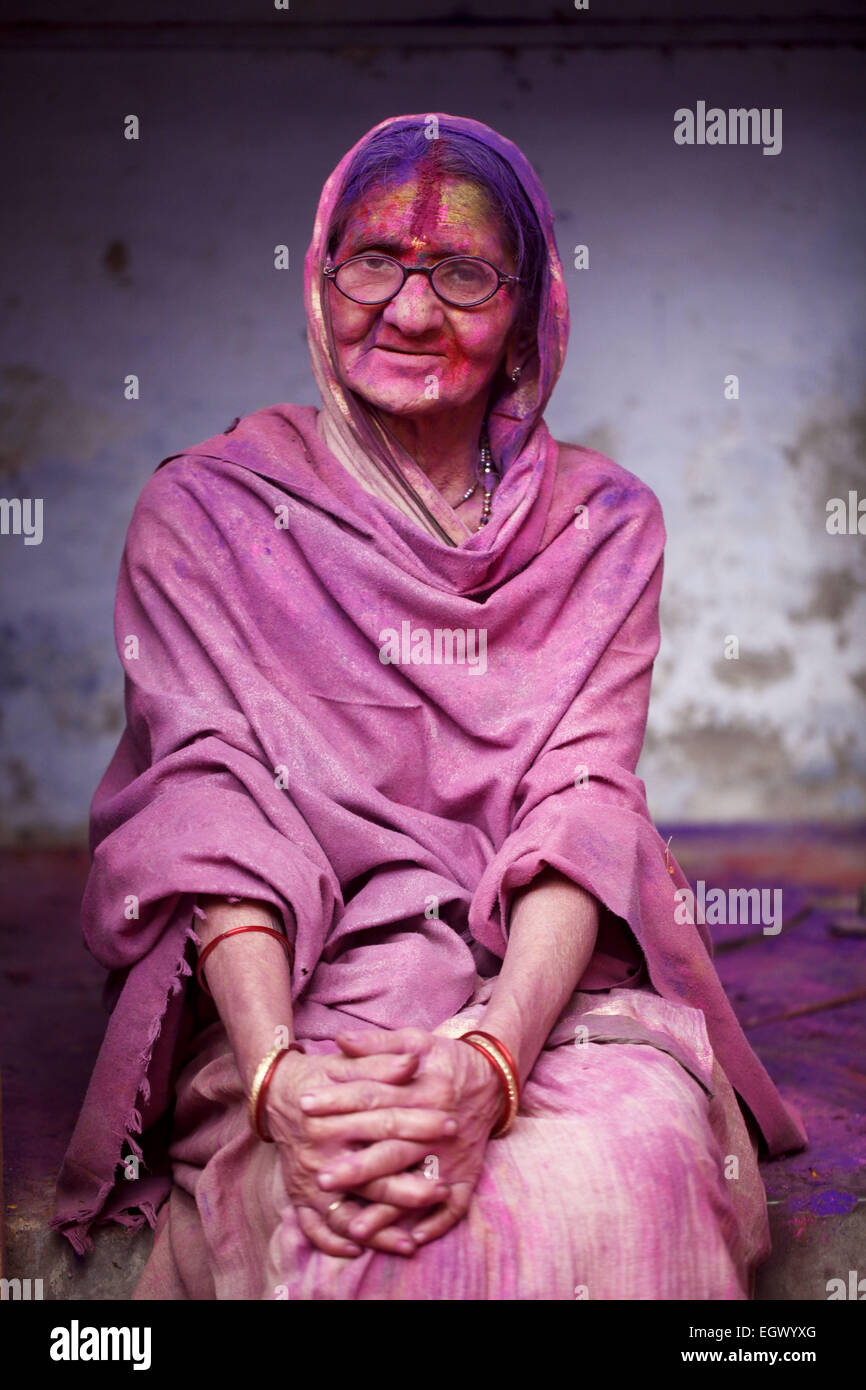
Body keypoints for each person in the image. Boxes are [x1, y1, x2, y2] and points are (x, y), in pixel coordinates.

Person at [52, 113, 806, 1300]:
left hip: (543, 1003)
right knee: (359, 1223)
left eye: (461, 272)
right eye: (372, 261)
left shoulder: (601, 527)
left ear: (526, 315)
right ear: (318, 276)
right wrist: (278, 1084)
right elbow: (211, 811)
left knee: (641, 1169)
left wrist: (492, 1061)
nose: (408, 311)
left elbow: (583, 813)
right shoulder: (206, 514)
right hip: (295, 1007)